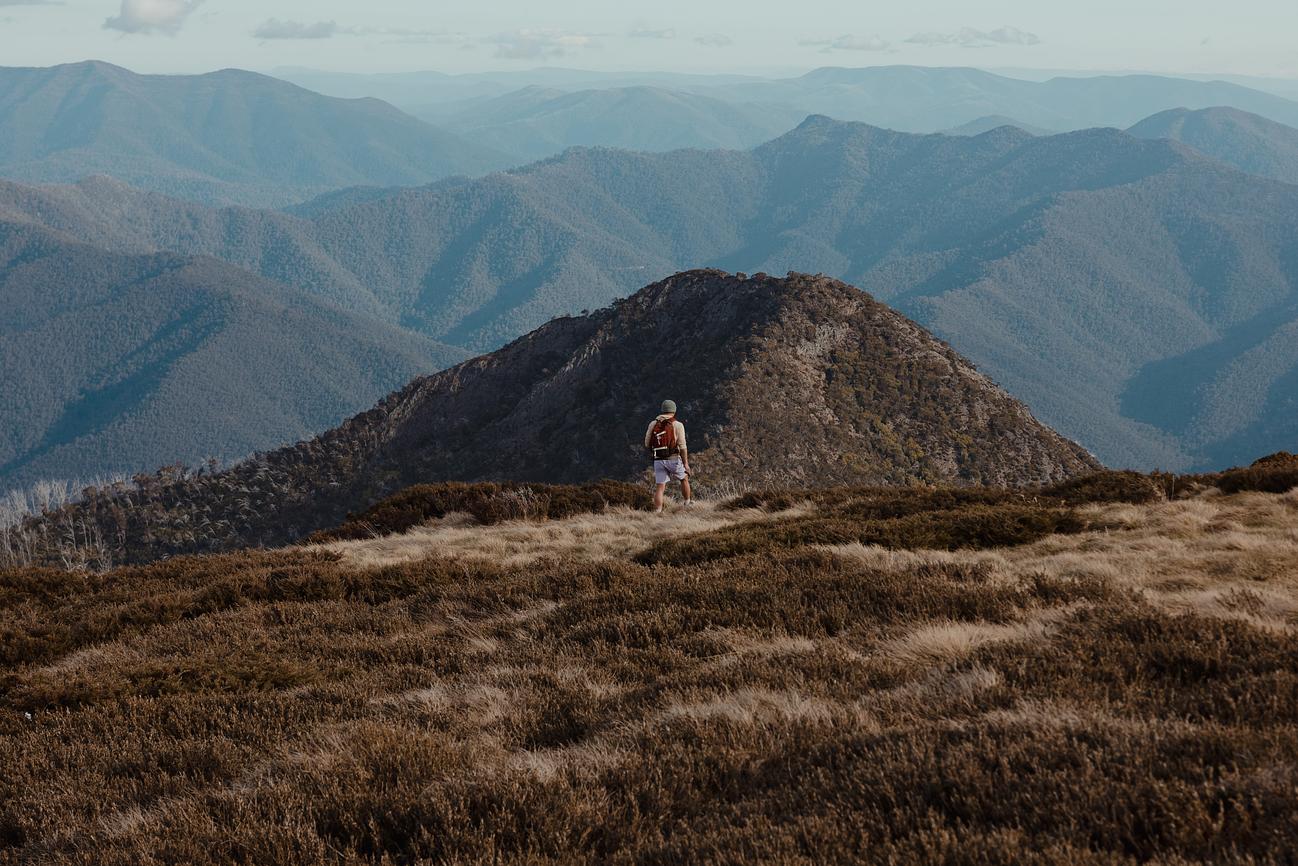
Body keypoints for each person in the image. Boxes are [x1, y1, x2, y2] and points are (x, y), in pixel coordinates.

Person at [645, 400, 691, 513]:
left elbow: (647, 443)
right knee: (684, 478)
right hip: (673, 459)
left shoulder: (653, 424)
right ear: (674, 411)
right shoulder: (677, 425)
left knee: (660, 487)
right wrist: (685, 464)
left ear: (662, 410)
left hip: (658, 460)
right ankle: (687, 503)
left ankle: (658, 511)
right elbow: (683, 446)